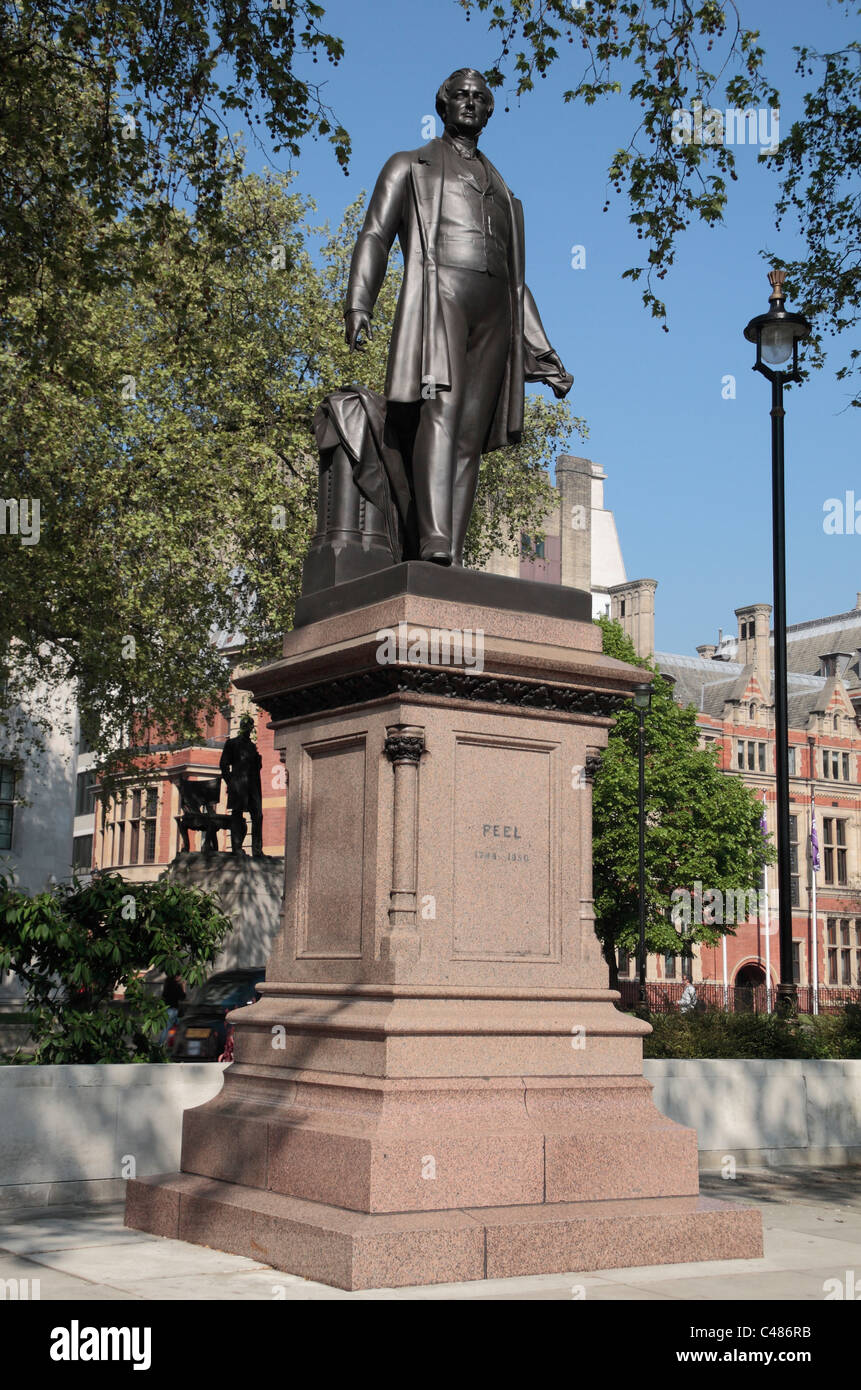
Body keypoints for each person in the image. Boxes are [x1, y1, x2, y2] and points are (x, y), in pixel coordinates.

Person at [345, 67, 572, 565]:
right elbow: (375, 236)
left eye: (479, 97)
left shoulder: (506, 194)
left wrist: (542, 349)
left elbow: (516, 283)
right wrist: (359, 302)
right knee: (440, 410)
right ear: (442, 104)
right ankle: (434, 538)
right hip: (440, 296)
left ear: (489, 111)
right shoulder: (409, 165)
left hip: (495, 312)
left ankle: (453, 549)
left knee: (471, 432)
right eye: (461, 95)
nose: (470, 102)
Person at [219, 714, 264, 857]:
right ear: (241, 727)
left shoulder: (252, 746)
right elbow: (224, 765)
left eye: (249, 726)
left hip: (253, 786)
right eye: (245, 725)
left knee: (258, 815)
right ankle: (237, 848)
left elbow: (256, 768)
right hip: (239, 785)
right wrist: (231, 782)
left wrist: (258, 762)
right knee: (237, 815)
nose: (247, 728)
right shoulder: (232, 743)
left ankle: (257, 851)